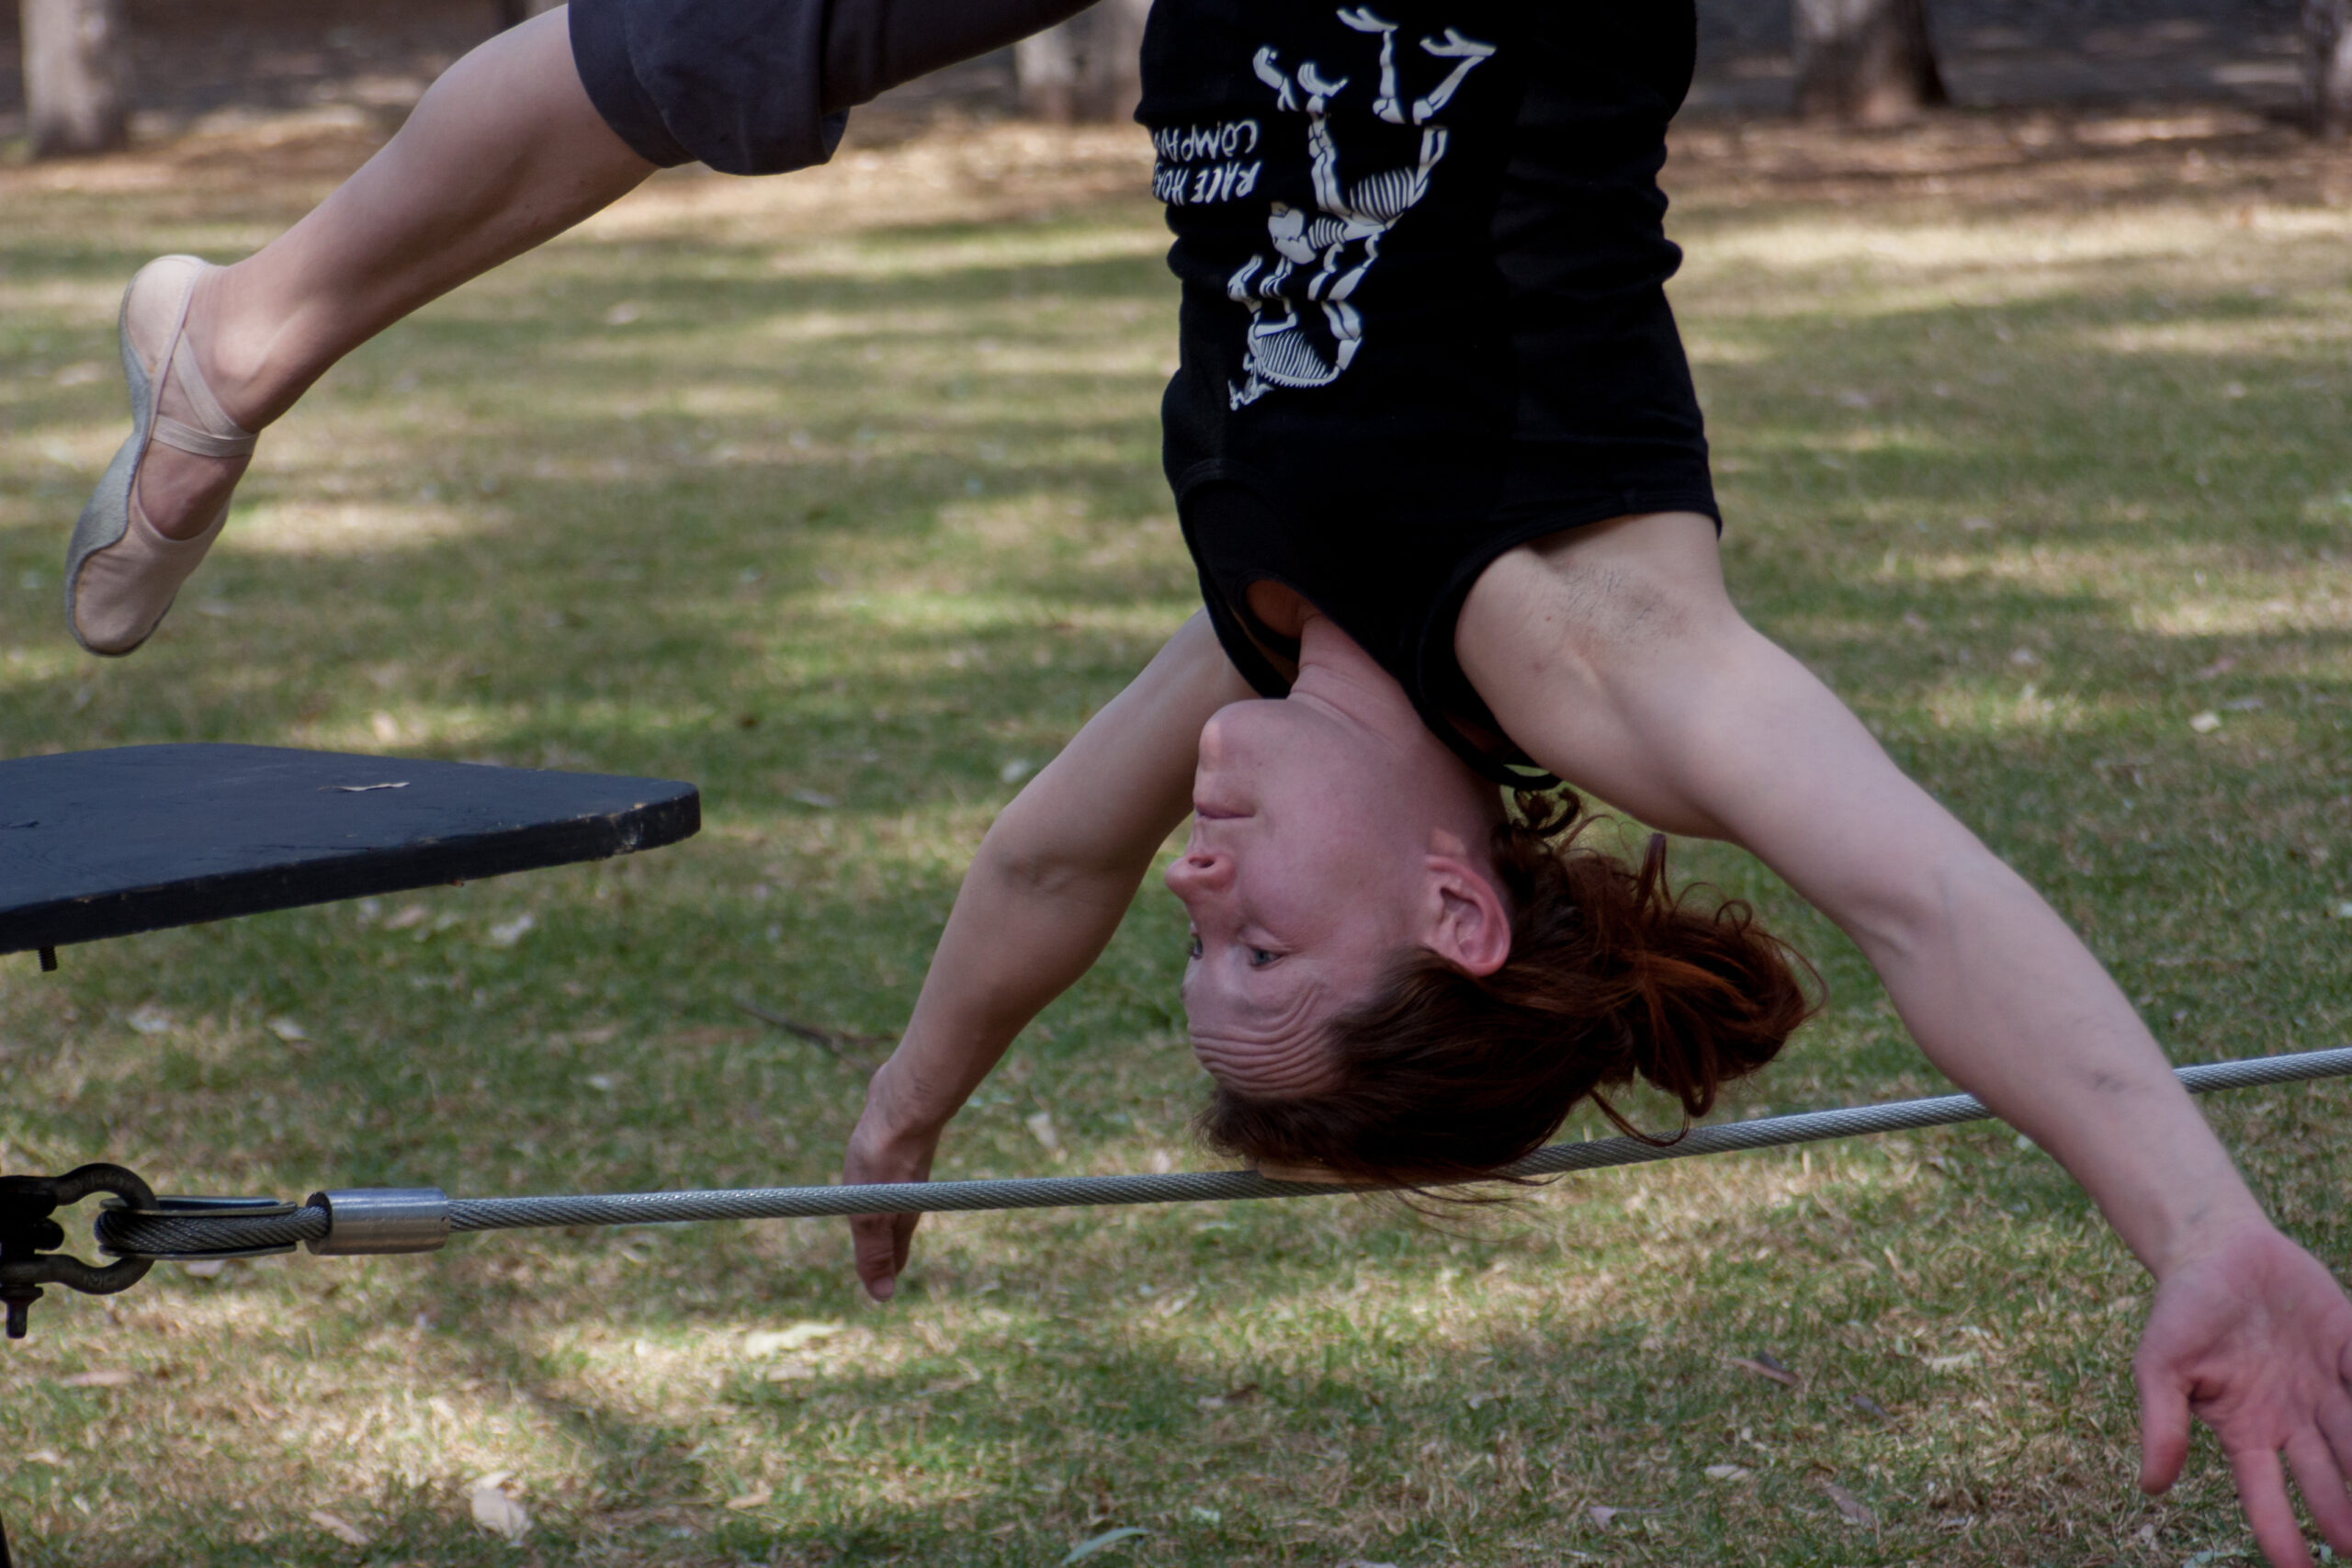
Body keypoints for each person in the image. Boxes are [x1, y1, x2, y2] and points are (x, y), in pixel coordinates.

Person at [60, 5, 2352, 1562]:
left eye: (1203, 948)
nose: (1195, 888)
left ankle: (234, 338)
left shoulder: (1270, 635)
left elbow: (1040, 856)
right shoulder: (1582, 643)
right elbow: (1926, 903)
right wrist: (2193, 1223)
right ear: (1459, 911)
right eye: (1263, 936)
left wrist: (898, 1111)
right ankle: (240, 332)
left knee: (713, 49)